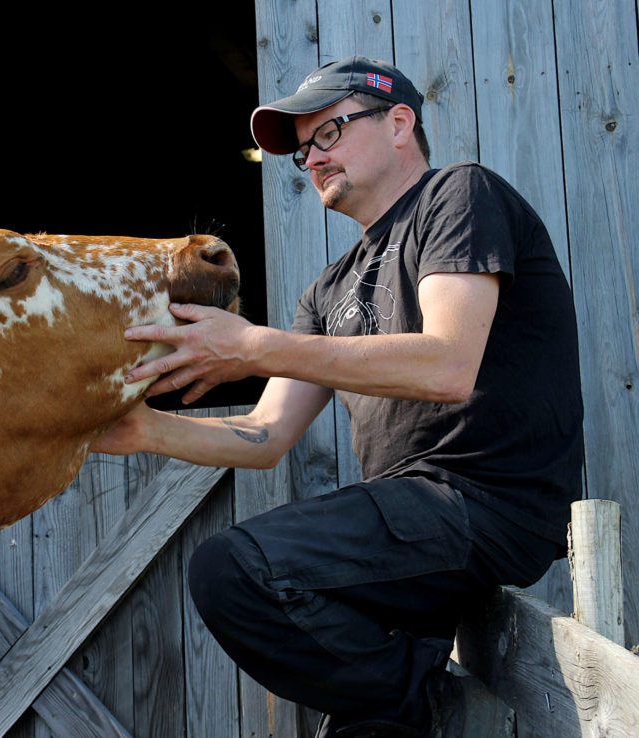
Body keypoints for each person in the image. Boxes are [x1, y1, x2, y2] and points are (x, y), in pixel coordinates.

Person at [92, 55, 583, 738]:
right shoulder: (329, 288)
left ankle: (409, 696)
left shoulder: (460, 197)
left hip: (485, 504)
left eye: (329, 133)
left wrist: (255, 345)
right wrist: (137, 429)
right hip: (416, 526)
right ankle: (390, 704)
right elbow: (265, 436)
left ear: (399, 123)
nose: (313, 158)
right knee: (355, 709)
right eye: (303, 151)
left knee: (233, 570)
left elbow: (447, 365)